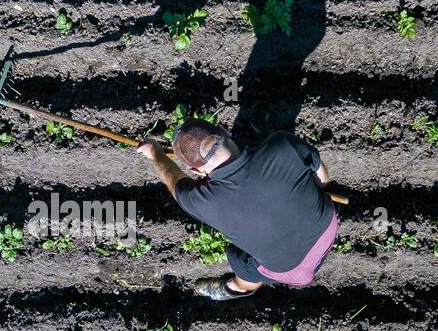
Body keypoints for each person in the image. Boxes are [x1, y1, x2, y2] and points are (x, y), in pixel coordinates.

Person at [138, 119, 337, 300]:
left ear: (197, 171)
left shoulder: (200, 201)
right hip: (328, 226)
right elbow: (323, 180)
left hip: (292, 270)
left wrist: (155, 153)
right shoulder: (282, 143)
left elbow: (174, 182)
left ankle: (237, 288)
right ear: (225, 132)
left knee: (239, 259)